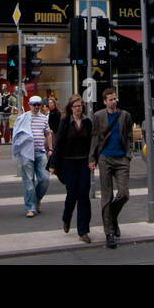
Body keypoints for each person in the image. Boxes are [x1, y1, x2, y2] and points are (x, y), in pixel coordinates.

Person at [89, 86, 135, 248]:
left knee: (124, 194)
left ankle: (112, 217)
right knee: (106, 196)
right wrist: (92, 158)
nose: (114, 101)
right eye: (111, 99)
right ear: (104, 102)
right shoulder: (98, 116)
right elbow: (95, 138)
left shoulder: (125, 116)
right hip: (105, 158)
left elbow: (129, 136)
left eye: (115, 98)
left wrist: (128, 154)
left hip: (121, 158)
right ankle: (109, 233)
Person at [55, 93, 93, 242]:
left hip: (83, 161)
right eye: (75, 106)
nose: (78, 109)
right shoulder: (65, 122)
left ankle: (83, 230)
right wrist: (53, 164)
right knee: (72, 194)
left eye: (80, 106)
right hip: (68, 162)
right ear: (71, 108)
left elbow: (91, 142)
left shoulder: (87, 122)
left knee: (84, 194)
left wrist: (92, 159)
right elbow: (59, 143)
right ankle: (66, 217)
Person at [12, 94, 52, 218]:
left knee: (45, 179)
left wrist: (50, 148)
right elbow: (17, 134)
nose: (36, 107)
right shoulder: (23, 117)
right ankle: (31, 207)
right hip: (26, 153)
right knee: (28, 180)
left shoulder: (44, 118)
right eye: (34, 105)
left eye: (38, 105)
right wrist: (18, 149)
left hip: (40, 152)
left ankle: (37, 199)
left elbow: (48, 134)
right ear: (29, 105)